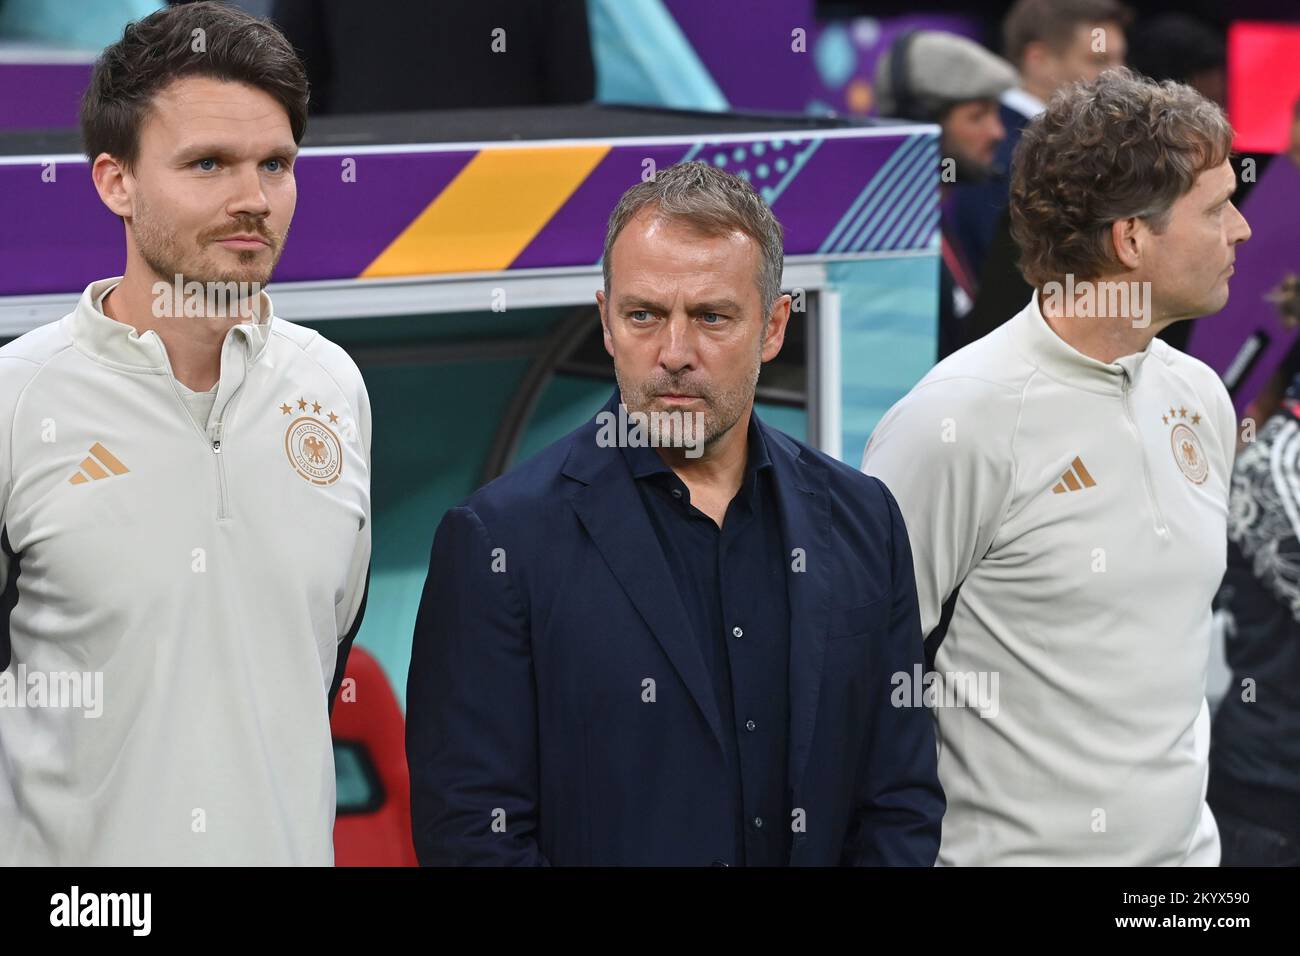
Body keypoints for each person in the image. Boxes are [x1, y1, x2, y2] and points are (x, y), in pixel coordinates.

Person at [406, 161, 944, 866]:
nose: (674, 354)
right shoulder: (499, 542)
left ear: (774, 326)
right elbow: (473, 833)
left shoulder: (862, 519)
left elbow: (898, 798)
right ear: (606, 321)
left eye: (712, 317)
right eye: (644, 315)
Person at [0, 1, 371, 864]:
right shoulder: (17, 403)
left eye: (275, 165)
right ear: (114, 181)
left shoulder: (333, 389)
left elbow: (318, 669)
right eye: (208, 164)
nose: (253, 199)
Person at [863, 68, 1251, 865]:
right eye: (1215, 209)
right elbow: (861, 679)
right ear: (1131, 239)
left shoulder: (1200, 397)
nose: (1242, 229)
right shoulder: (955, 421)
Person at [873, 30, 1016, 359]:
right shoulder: (896, 244)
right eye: (977, 116)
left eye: (996, 114)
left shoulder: (935, 219)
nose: (997, 132)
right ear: (922, 123)